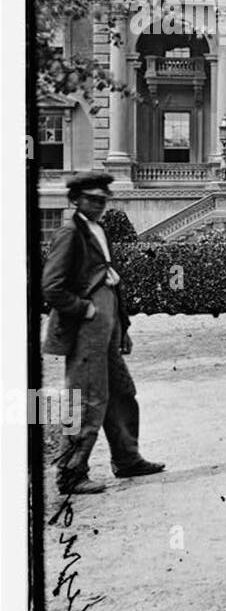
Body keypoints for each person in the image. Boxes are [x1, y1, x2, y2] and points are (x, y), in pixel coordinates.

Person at [41, 171, 165, 495]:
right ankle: (70, 474)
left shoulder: (99, 230)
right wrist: (85, 309)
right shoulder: (70, 233)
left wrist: (122, 328)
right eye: (92, 200)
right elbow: (52, 287)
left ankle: (127, 459)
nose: (98, 205)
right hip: (85, 331)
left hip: (107, 330)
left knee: (122, 392)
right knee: (85, 401)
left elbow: (109, 281)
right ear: (75, 200)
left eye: (102, 200)